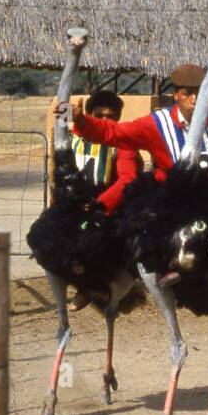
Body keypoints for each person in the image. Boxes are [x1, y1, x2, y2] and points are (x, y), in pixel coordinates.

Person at [66, 64, 208, 345]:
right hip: (169, 201)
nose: (194, 100)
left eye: (200, 94)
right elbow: (115, 133)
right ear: (176, 95)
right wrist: (80, 121)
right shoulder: (156, 124)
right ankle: (102, 287)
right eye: (188, 93)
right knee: (129, 238)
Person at [67, 89, 143, 312]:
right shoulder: (73, 134)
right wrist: (67, 110)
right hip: (73, 206)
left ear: (118, 118)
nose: (105, 121)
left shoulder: (124, 143)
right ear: (89, 114)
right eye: (99, 116)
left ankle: (92, 288)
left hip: (109, 209)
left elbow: (128, 179)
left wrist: (99, 204)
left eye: (110, 117)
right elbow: (60, 124)